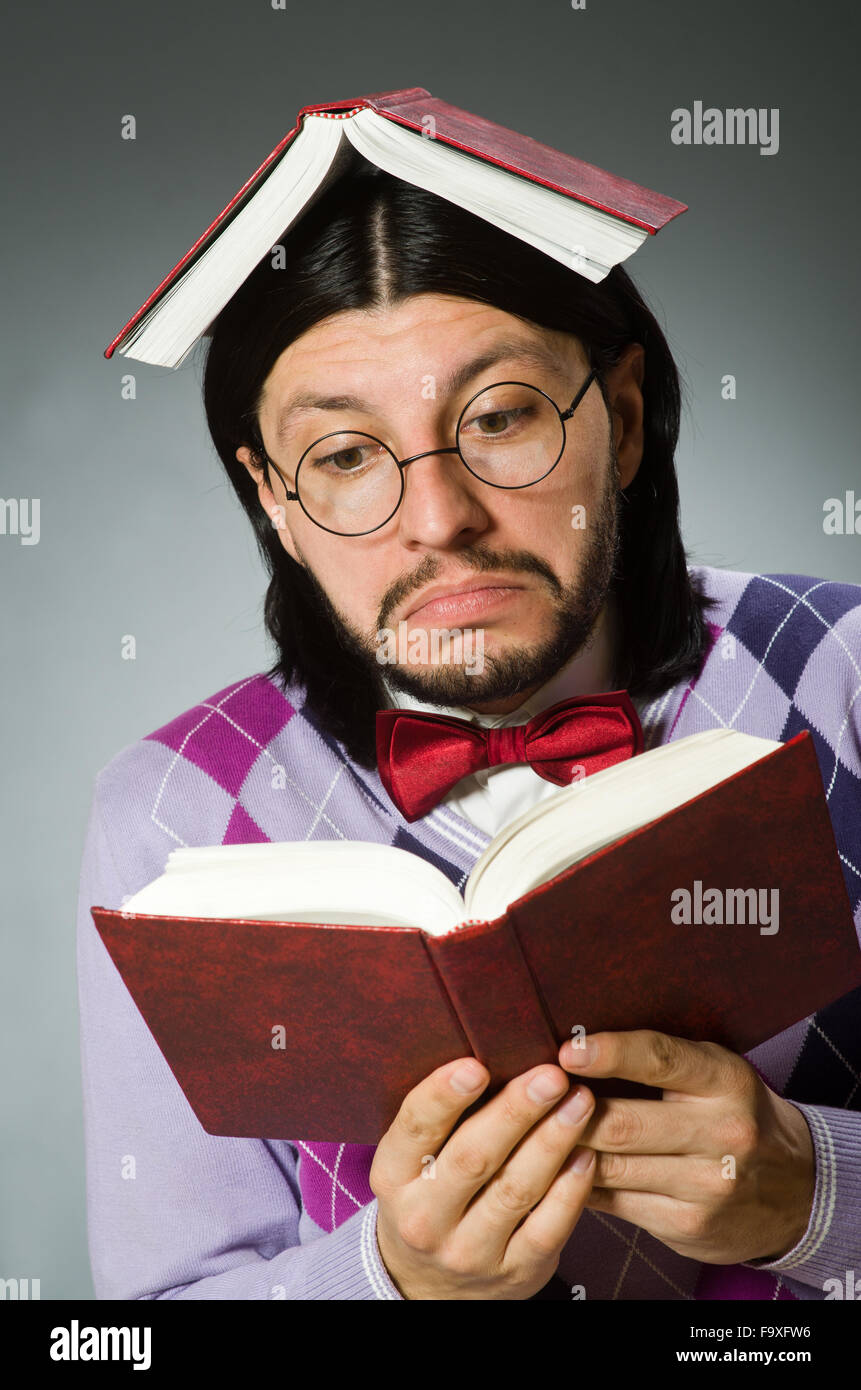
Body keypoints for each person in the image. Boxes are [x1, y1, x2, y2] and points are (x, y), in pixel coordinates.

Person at [77, 159, 861, 1301]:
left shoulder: (838, 672)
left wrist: (820, 1192)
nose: (441, 522)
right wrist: (392, 1278)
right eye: (346, 457)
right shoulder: (172, 812)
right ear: (275, 502)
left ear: (624, 420)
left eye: (500, 418)